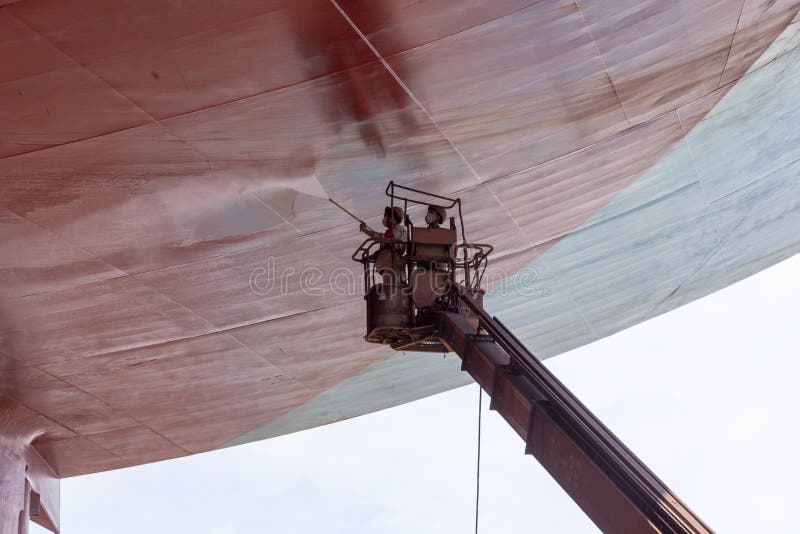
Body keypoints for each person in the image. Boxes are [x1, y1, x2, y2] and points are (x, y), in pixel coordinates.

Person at [360, 206, 407, 284]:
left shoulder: (397, 229)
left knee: (392, 288)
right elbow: (382, 250)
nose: (385, 217)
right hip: (388, 265)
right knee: (389, 287)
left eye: (386, 215)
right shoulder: (391, 232)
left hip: (393, 266)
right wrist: (370, 257)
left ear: (392, 217)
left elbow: (383, 238)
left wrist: (366, 231)